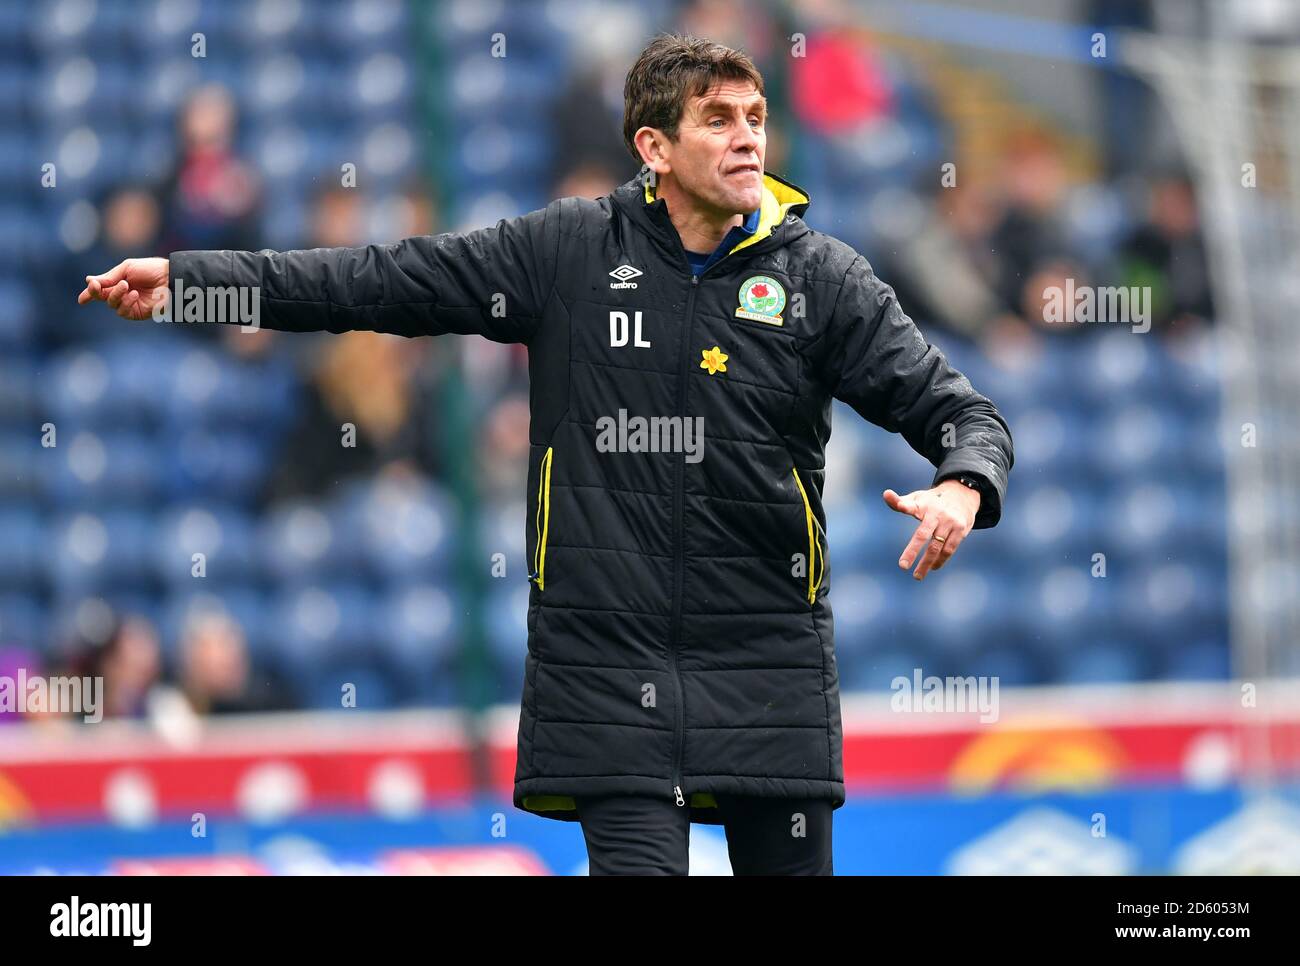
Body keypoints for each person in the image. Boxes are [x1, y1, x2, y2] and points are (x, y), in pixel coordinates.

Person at [77, 34, 1014, 875]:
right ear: (653, 147)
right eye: (718, 119)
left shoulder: (821, 278)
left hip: (767, 669)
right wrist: (199, 282)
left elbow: (959, 411)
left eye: (758, 118)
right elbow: (378, 282)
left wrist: (964, 486)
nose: (748, 139)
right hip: (607, 671)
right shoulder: (566, 252)